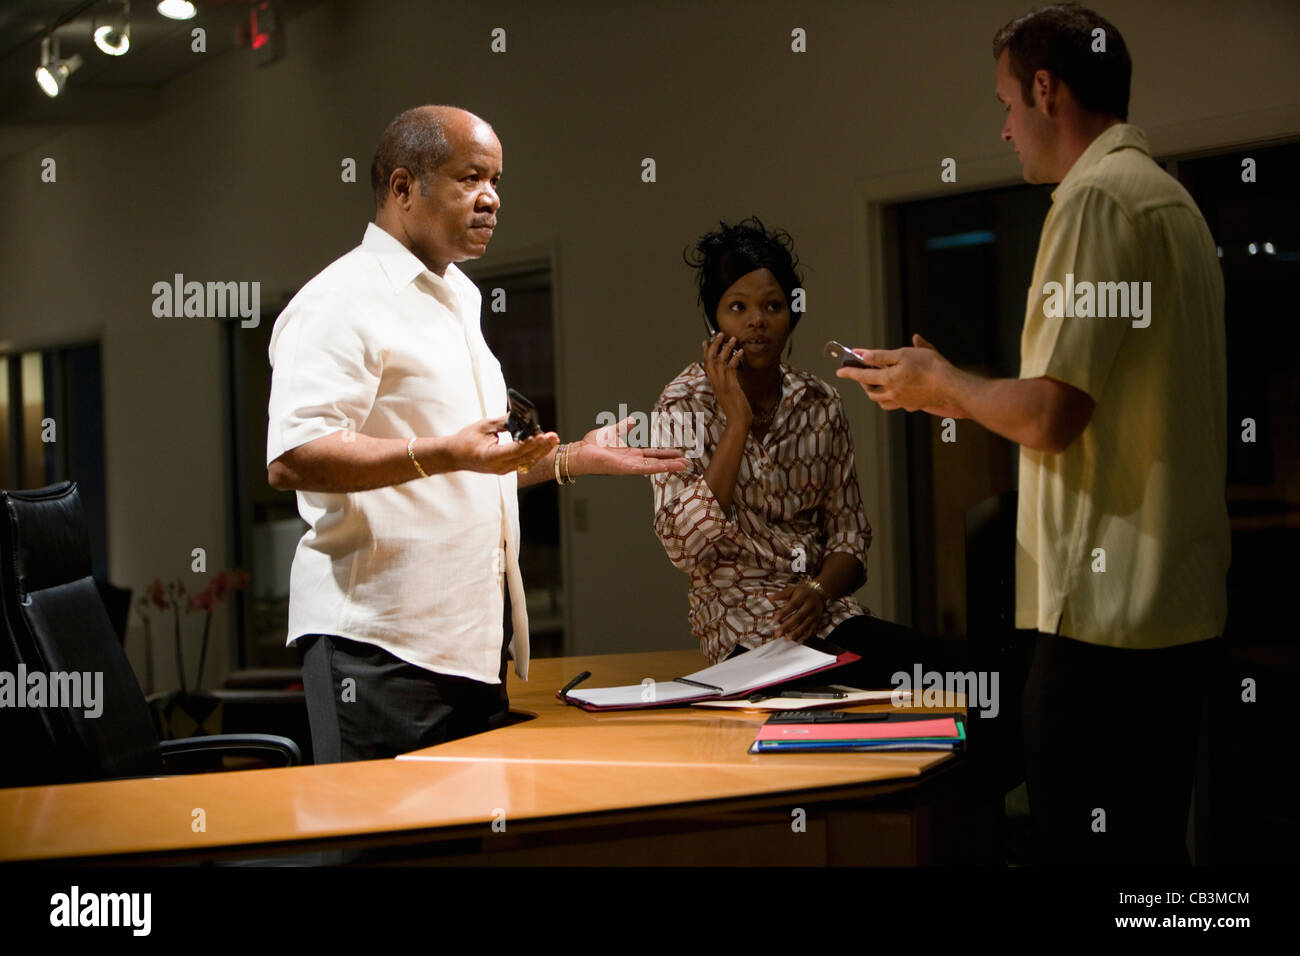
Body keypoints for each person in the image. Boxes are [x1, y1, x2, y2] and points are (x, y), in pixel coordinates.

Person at [837, 4, 1228, 865]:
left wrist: (947, 383)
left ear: (1046, 90)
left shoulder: (1091, 200)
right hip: (1173, 612)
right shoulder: (1171, 203)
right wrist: (952, 396)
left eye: (1008, 101)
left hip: (1104, 623)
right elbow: (1103, 402)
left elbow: (1054, 416)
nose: (1003, 125)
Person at [267, 105, 687, 765]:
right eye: (470, 178)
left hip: (469, 644)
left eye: (496, 180)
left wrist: (572, 459)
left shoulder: (458, 296)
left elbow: (466, 469)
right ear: (404, 188)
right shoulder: (338, 302)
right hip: (379, 646)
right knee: (386, 855)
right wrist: (440, 453)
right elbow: (293, 459)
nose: (491, 198)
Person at [650, 218, 976, 718]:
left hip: (829, 618)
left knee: (965, 677)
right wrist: (735, 421)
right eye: (738, 307)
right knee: (847, 709)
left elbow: (851, 540)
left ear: (792, 315)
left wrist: (819, 590)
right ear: (714, 322)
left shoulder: (819, 403)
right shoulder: (680, 405)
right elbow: (683, 548)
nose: (757, 321)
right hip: (741, 636)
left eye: (773, 306)